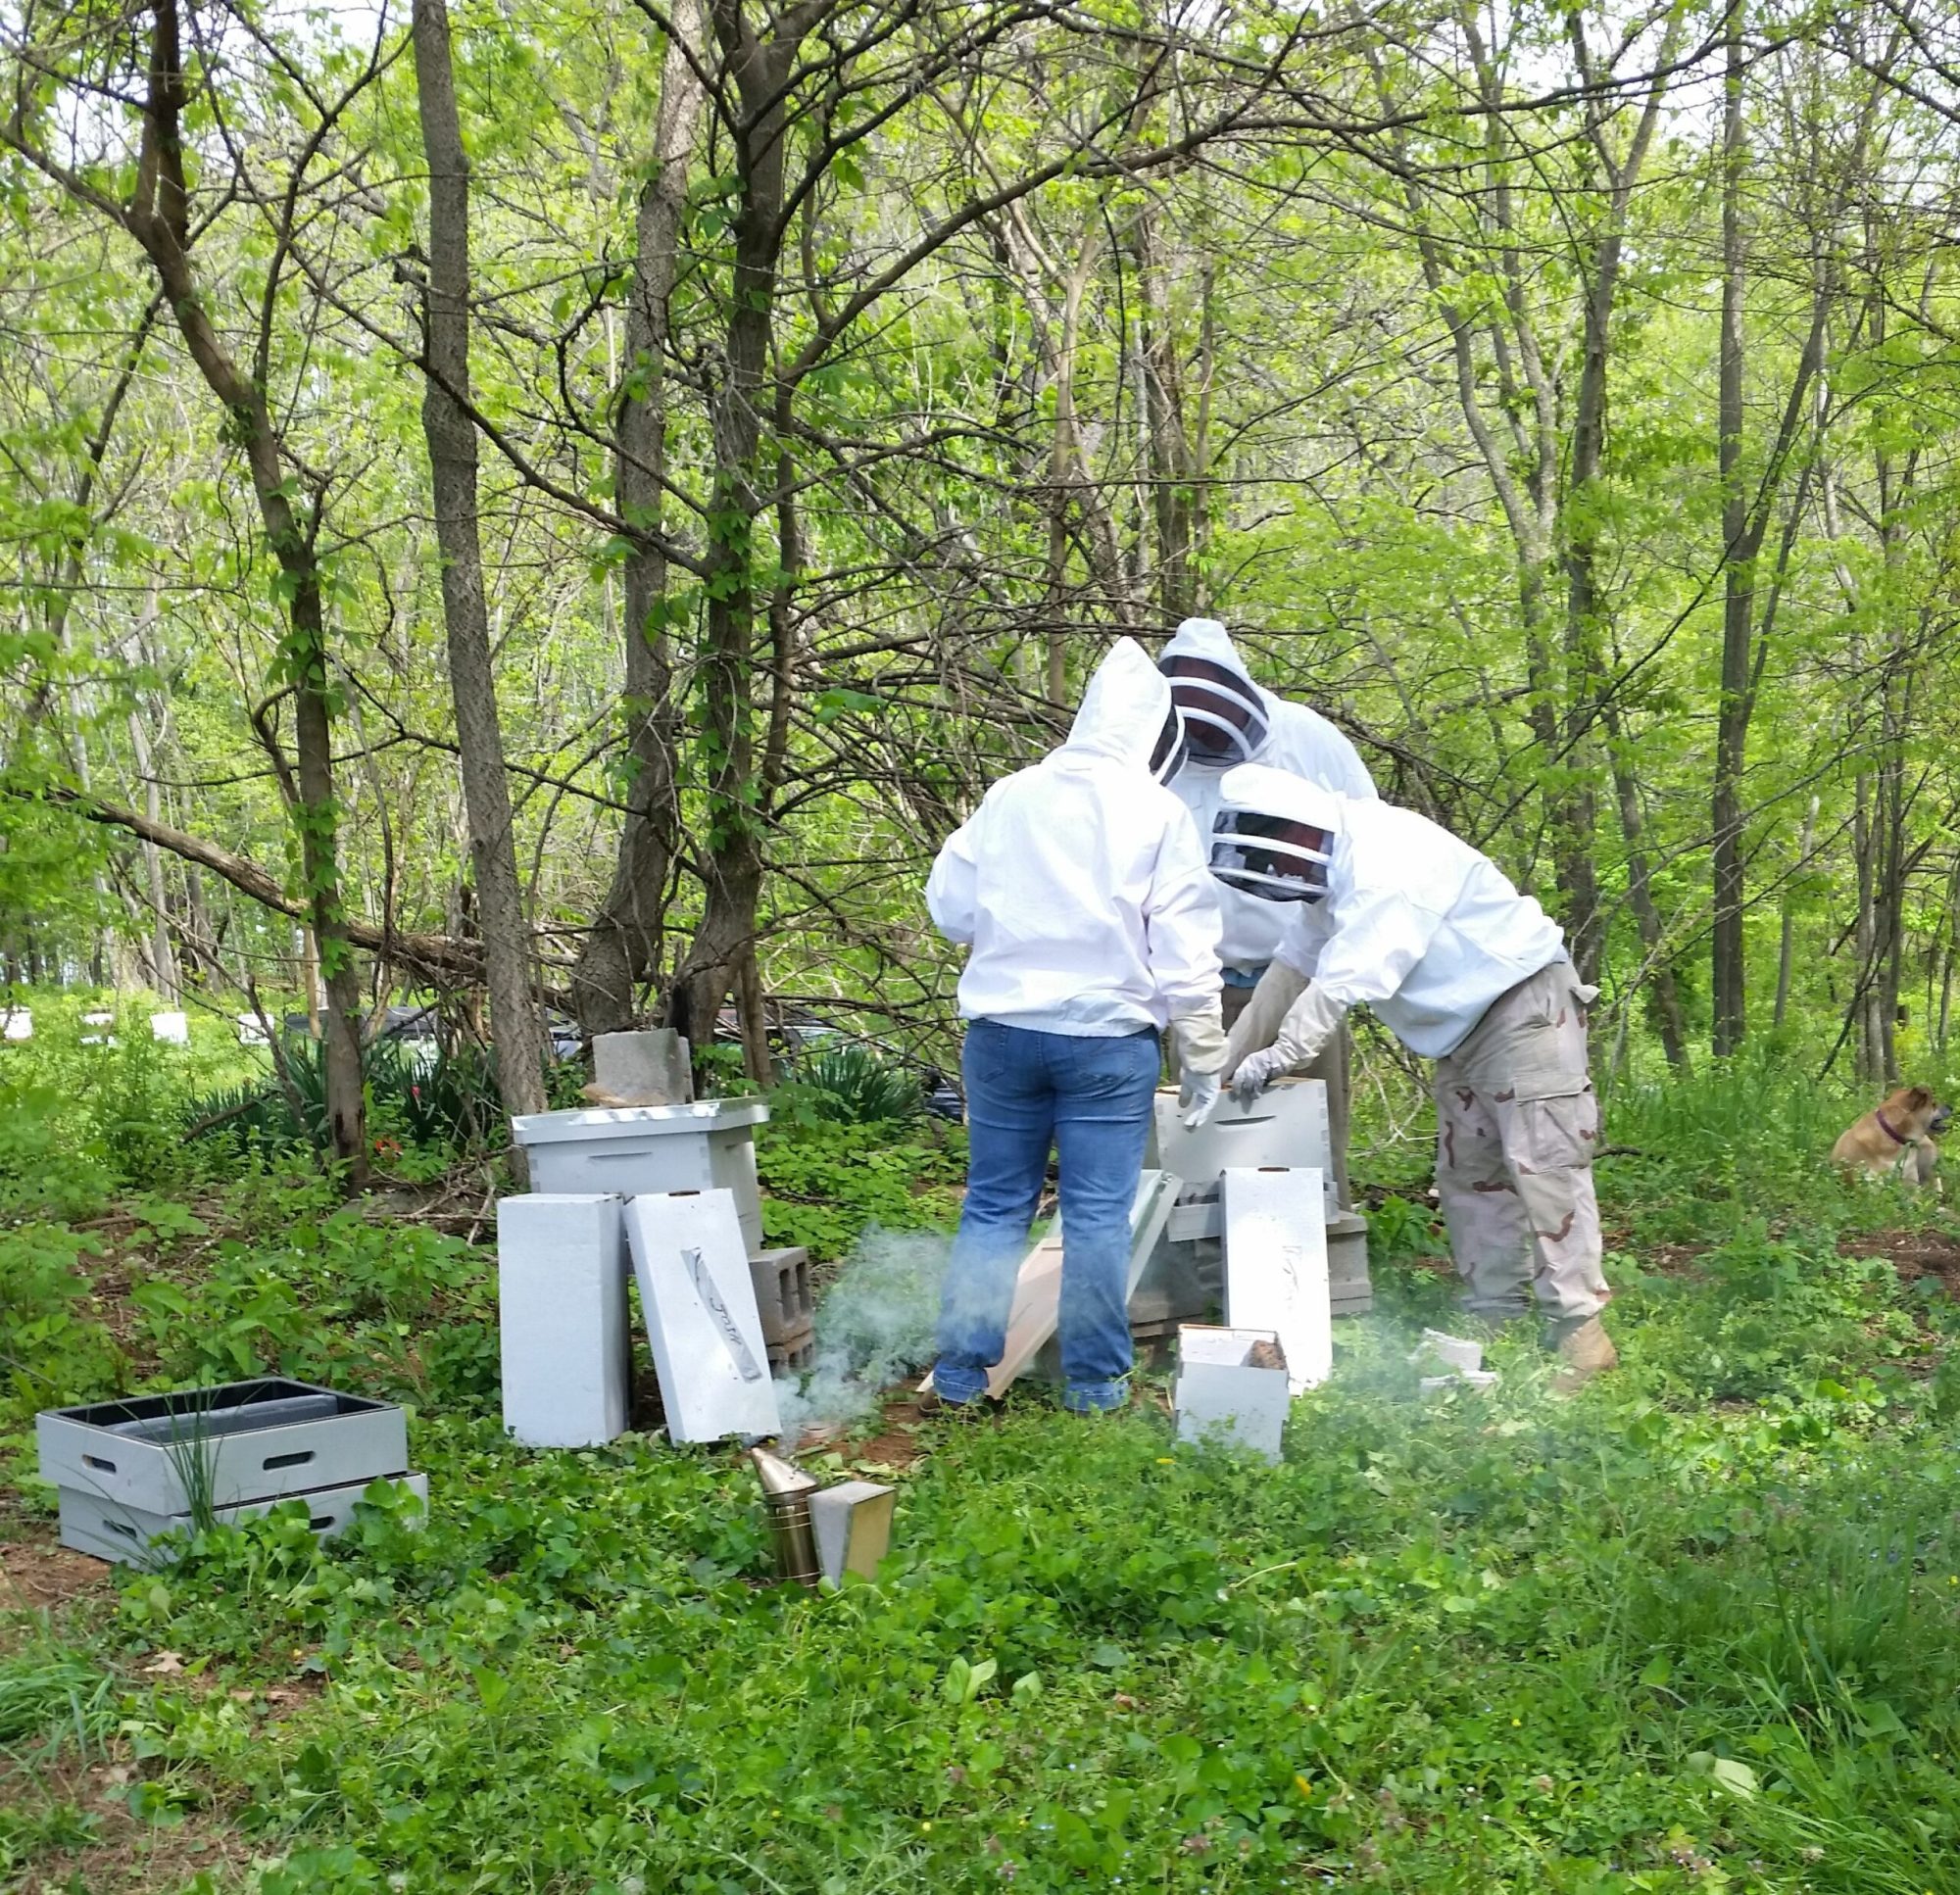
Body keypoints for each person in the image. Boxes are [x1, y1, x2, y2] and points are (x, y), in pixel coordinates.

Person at [1209, 763, 1617, 1386]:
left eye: (1285, 864)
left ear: (1301, 832)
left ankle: (1583, 1334)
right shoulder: (1335, 866)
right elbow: (1291, 968)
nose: (1285, 879)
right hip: (1461, 1026)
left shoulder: (1386, 862)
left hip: (1523, 1007)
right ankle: (1495, 1312)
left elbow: (1347, 978)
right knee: (1470, 1174)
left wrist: (1280, 1054)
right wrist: (1226, 1059)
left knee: (1546, 1168)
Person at [924, 639, 1226, 1412]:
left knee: (995, 1201)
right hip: (1105, 1042)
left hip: (1003, 1034)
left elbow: (949, 908)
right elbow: (1187, 951)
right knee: (1095, 1214)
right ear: (1155, 733)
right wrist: (1201, 1059)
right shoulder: (1158, 811)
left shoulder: (1011, 794)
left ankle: (961, 1372)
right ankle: (1093, 1386)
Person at [1158, 616, 1374, 1204]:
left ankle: (1324, 1263)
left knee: (1313, 1138)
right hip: (1201, 985)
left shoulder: (1308, 736)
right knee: (1204, 1145)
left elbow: (1364, 836)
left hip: (1303, 976)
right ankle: (1204, 1276)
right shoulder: (1153, 753)